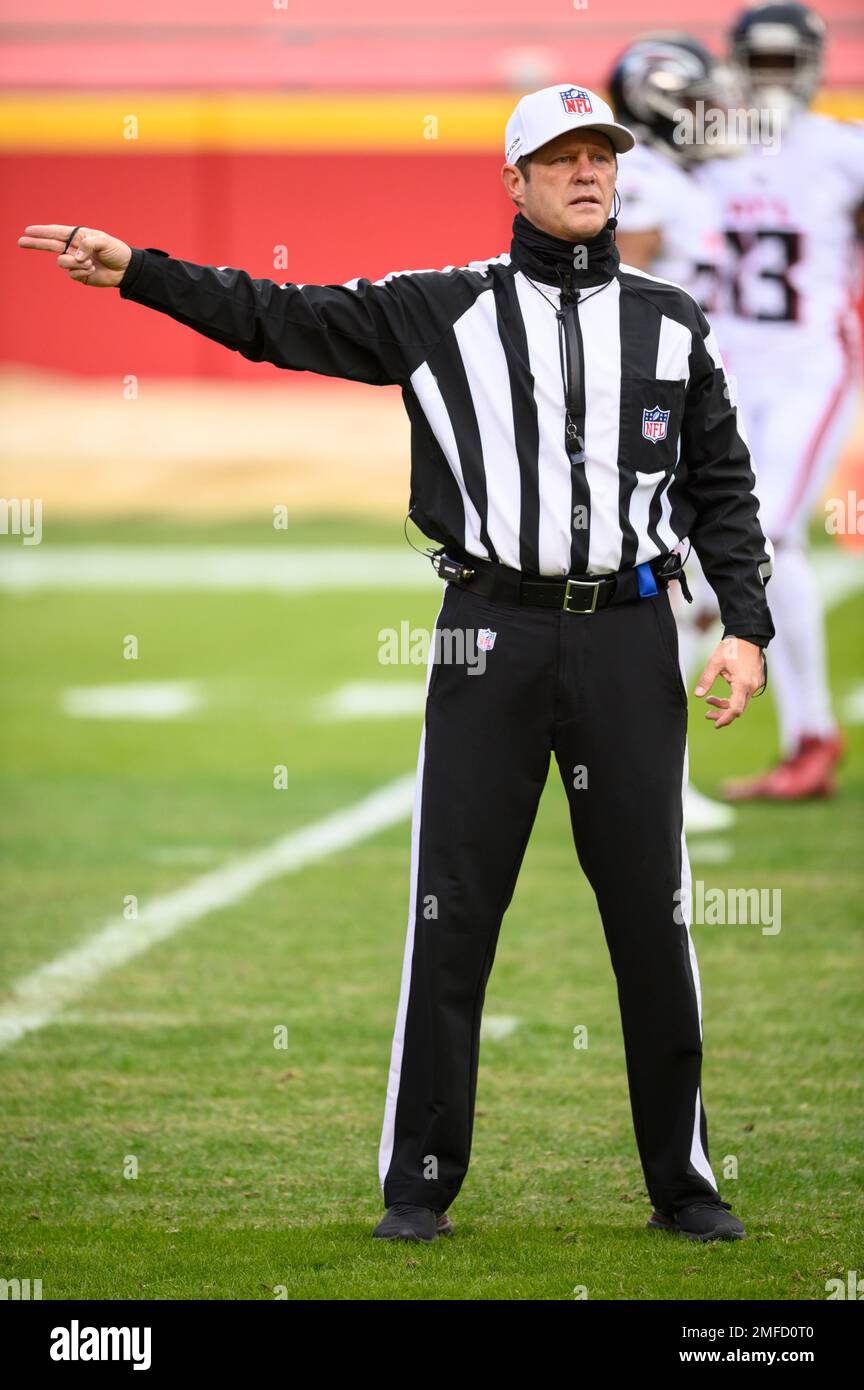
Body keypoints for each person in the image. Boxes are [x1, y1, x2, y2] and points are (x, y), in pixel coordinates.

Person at [18, 82, 774, 1244]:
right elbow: (277, 314)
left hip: (630, 635)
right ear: (512, 182)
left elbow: (720, 483)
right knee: (452, 910)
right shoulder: (439, 310)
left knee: (652, 913)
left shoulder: (673, 319)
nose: (587, 174)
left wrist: (748, 625)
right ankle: (419, 1182)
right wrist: (143, 271)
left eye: (600, 157)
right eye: (560, 158)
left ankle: (684, 1179)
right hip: (490, 630)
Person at [698, 1, 864, 799]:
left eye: (778, 63)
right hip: (725, 369)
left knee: (763, 532)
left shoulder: (842, 150)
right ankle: (809, 739)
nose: (768, 81)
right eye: (755, 65)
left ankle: (811, 736)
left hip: (809, 364)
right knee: (743, 538)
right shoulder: (707, 150)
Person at [609, 31, 746, 833]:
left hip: (686, 403)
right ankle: (652, 787)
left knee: (683, 603)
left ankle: (658, 783)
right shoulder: (645, 181)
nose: (708, 116)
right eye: (691, 101)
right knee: (666, 595)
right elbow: (624, 291)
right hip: (656, 412)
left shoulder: (679, 176)